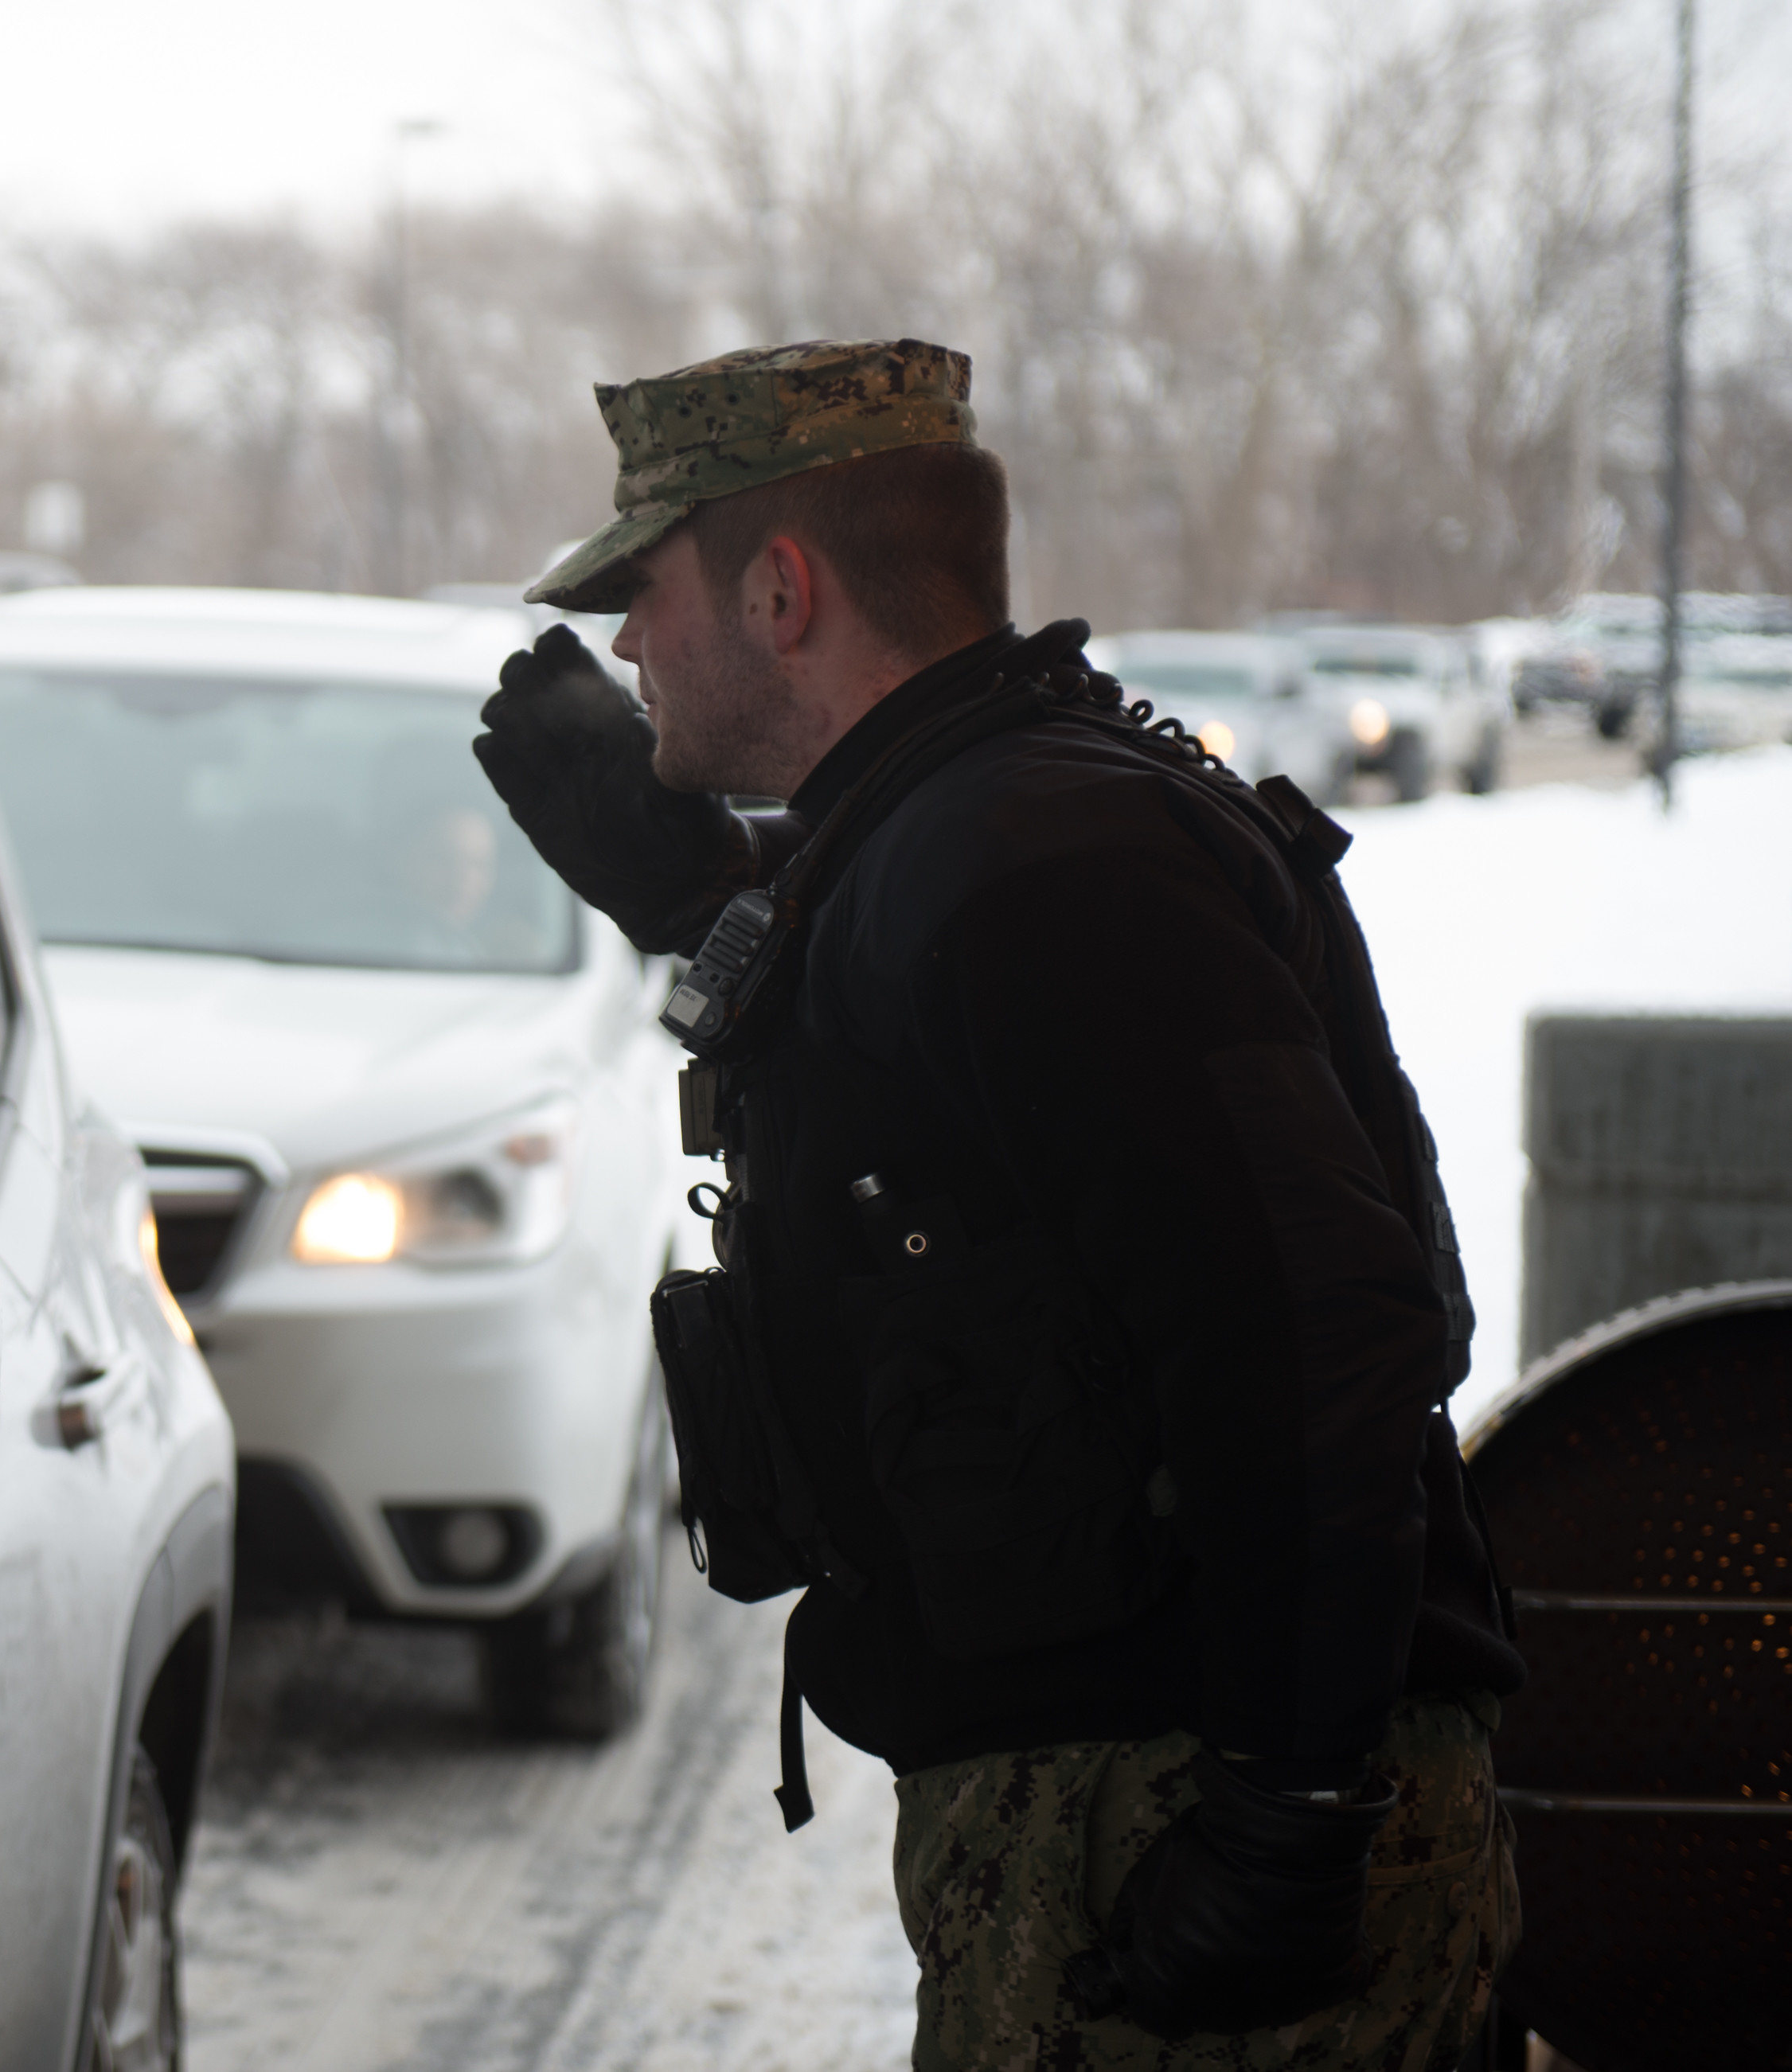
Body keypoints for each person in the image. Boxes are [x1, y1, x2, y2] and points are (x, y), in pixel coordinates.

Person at [472, 339, 1522, 2068]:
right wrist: (711, 902)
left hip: (1182, 1783)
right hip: (1123, 1766)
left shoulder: (1044, 860)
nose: (629, 643)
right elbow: (976, 1137)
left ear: (782, 590)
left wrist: (1291, 1805)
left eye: (645, 591)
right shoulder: (962, 821)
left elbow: (1313, 1325)